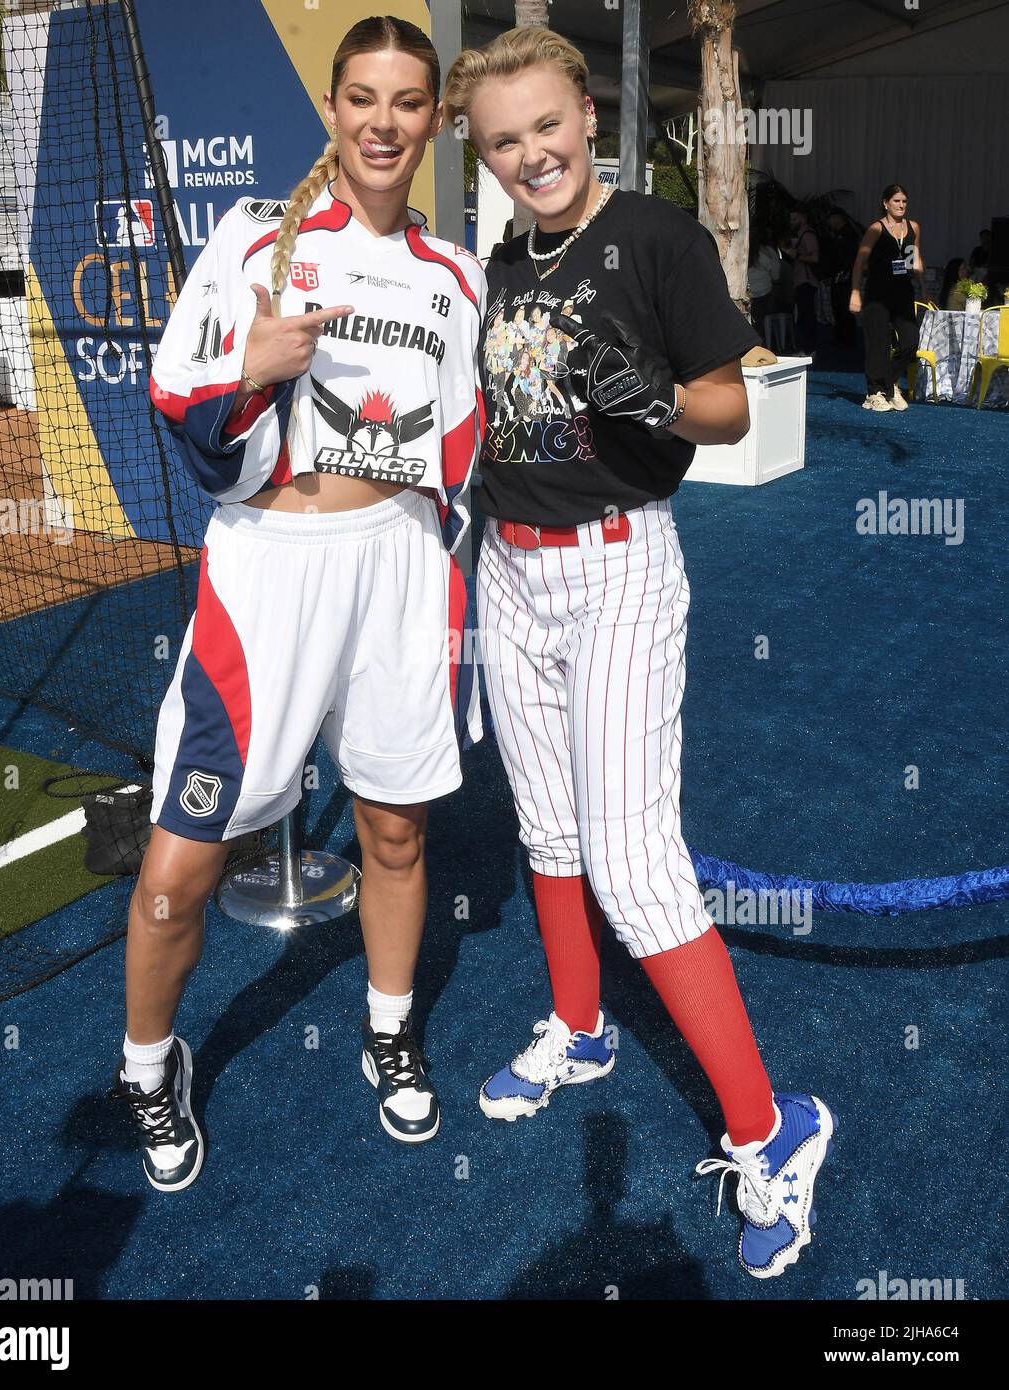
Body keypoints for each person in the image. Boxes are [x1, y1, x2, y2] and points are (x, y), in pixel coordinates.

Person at [444, 25, 836, 1281]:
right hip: (509, 568)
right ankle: (577, 1024)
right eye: (503, 141)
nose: (529, 153)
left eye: (545, 125)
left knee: (634, 863)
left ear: (587, 117)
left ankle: (773, 1130)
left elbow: (733, 401)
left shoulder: (656, 237)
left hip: (617, 567)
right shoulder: (504, 264)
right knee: (547, 832)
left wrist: (655, 397)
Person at [112, 15, 486, 1188]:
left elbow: (464, 441)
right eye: (362, 98)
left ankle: (386, 1030)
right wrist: (250, 374)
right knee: (179, 863)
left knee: (392, 825)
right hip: (268, 568)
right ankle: (147, 1066)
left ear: (434, 122)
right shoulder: (249, 241)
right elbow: (178, 394)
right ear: (331, 109)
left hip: (396, 561)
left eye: (408, 103)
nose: (383, 122)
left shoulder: (455, 275)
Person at [849, 184, 923, 411]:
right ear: (886, 203)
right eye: (896, 201)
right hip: (877, 293)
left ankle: (888, 383)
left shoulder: (913, 227)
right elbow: (860, 261)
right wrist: (855, 292)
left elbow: (915, 257)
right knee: (878, 343)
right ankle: (874, 393)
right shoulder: (876, 229)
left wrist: (923, 286)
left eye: (904, 201)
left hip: (903, 292)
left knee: (911, 342)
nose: (901, 205)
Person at [788, 204, 821, 357]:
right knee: (803, 315)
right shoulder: (801, 234)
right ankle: (806, 348)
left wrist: (796, 256)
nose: (792, 221)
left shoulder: (807, 235)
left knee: (806, 316)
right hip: (801, 280)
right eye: (791, 219)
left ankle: (808, 349)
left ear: (803, 217)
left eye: (795, 218)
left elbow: (815, 257)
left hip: (806, 281)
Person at [826, 207, 858, 348]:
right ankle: (841, 337)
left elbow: (850, 257)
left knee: (843, 308)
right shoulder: (837, 234)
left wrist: (844, 271)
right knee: (838, 308)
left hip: (845, 276)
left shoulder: (849, 234)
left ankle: (846, 339)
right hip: (839, 275)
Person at [747, 227, 781, 341]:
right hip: (764, 292)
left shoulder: (742, 250)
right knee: (760, 321)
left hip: (747, 292)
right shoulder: (766, 252)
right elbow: (775, 275)